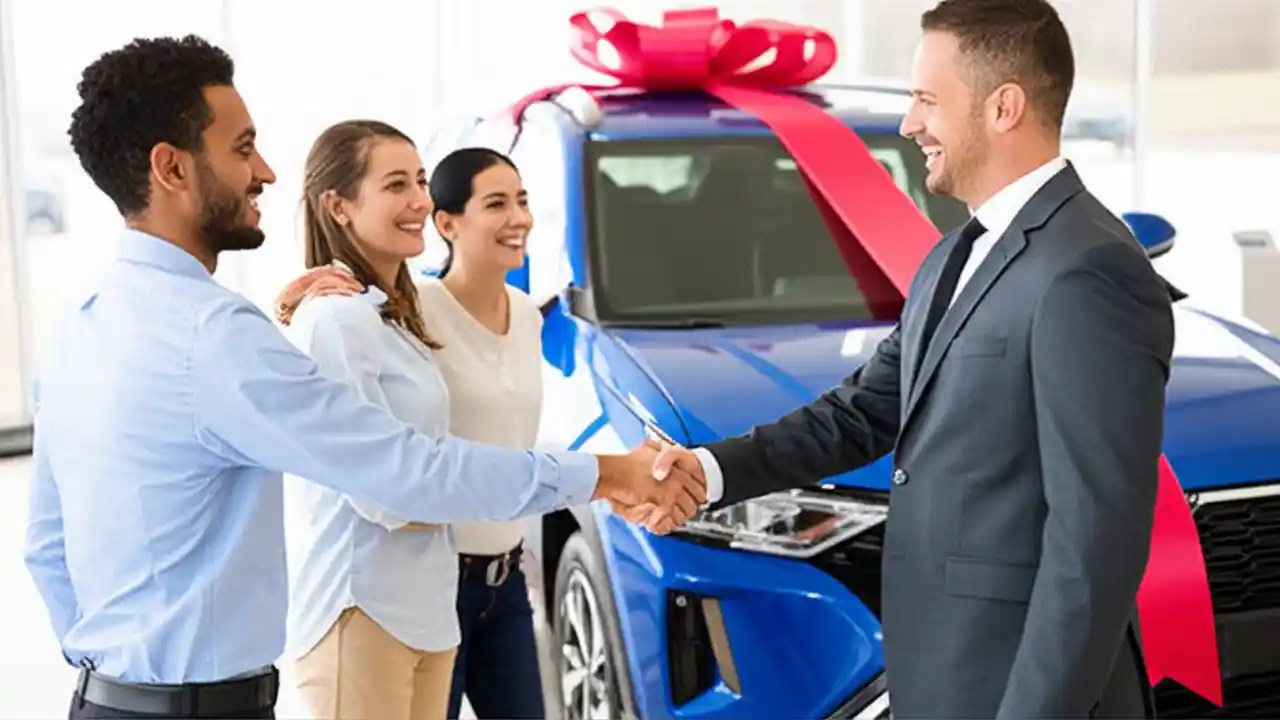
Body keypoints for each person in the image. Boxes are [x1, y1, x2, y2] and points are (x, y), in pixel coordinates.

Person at [22, 35, 703, 720]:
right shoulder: (218, 338)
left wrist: (117, 674)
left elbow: (48, 548)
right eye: (241, 148)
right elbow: (408, 472)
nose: (264, 170)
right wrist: (606, 473)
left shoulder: (82, 326)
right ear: (170, 168)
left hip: (102, 700)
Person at [650, 1, 1173, 718]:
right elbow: (865, 410)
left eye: (927, 99)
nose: (909, 124)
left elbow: (1095, 545)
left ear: (1004, 107)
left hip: (1019, 692)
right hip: (947, 677)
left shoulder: (1088, 270)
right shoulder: (956, 252)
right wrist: (708, 471)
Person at [276, 146, 565, 719]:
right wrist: (291, 302)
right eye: (497, 203)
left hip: (505, 576)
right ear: (448, 223)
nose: (518, 218)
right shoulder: (413, 314)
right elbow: (340, 334)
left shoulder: (530, 315)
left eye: (523, 201)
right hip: (437, 571)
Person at [283, 119, 463, 720]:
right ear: (337, 205)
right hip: (362, 614)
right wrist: (500, 487)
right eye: (395, 185)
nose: (420, 201)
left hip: (428, 614)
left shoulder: (393, 314)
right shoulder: (336, 321)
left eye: (420, 179)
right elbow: (383, 495)